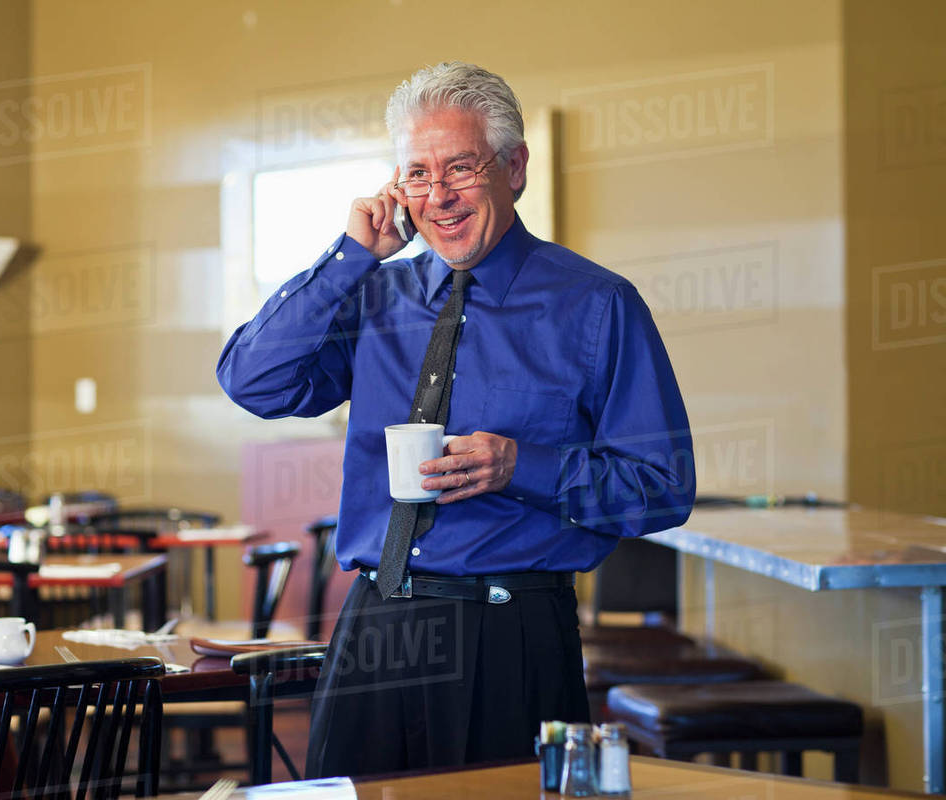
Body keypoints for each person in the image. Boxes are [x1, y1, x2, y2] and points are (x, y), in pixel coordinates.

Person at [216, 62, 695, 779]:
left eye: (460, 168)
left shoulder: (598, 305)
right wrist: (349, 257)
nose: (437, 195)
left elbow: (662, 487)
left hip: (515, 636)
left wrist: (519, 466)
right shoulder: (372, 296)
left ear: (515, 168)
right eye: (416, 174)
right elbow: (250, 381)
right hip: (376, 626)